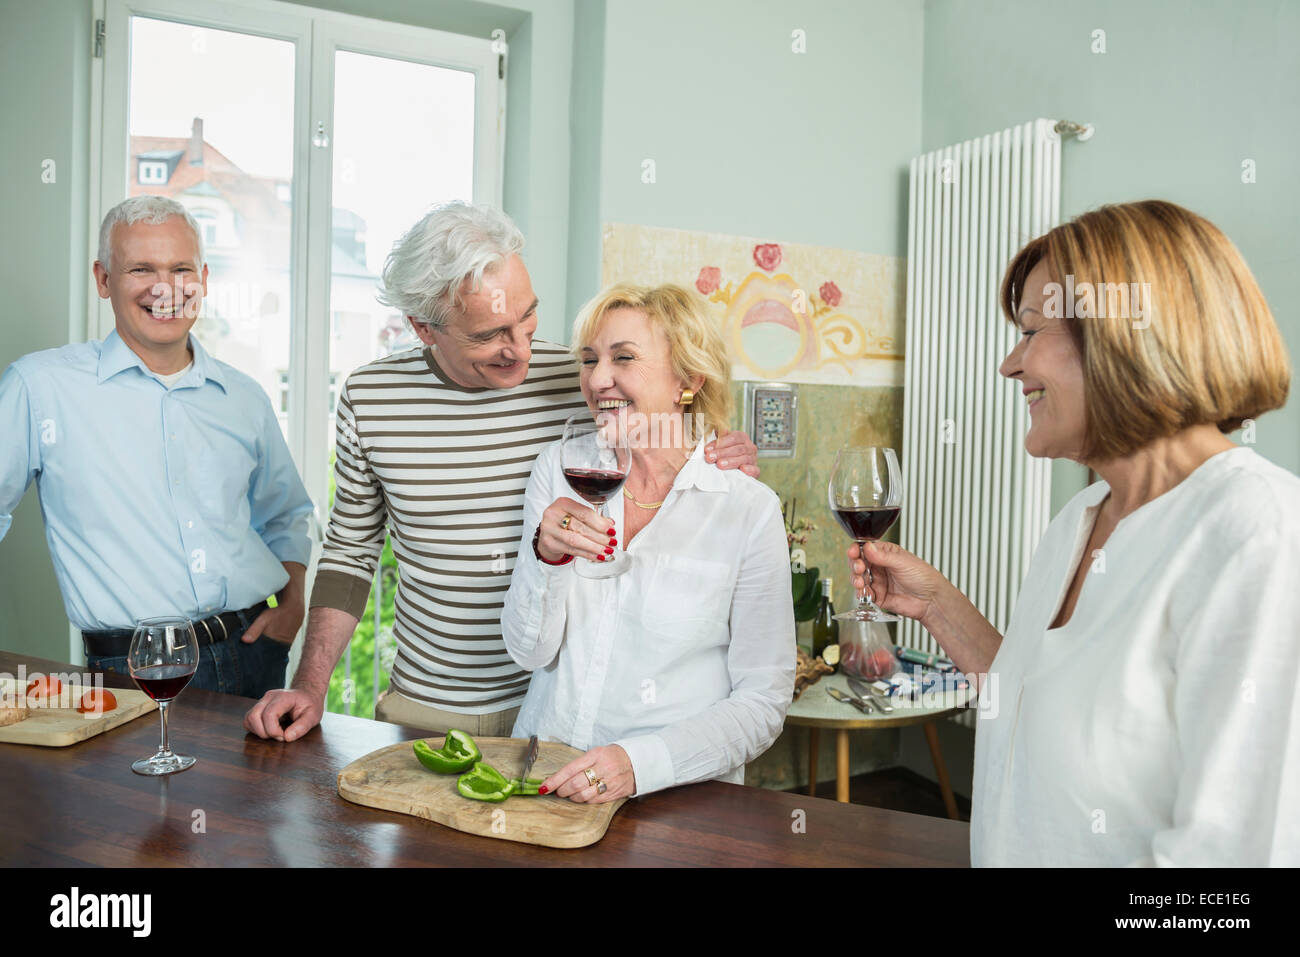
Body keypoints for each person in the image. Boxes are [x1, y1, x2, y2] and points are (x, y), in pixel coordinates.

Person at [847, 200, 1298, 865]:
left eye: (1031, 330)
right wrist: (936, 605)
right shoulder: (1078, 521)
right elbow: (1026, 704)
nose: (1009, 364)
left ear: (1123, 331)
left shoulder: (1259, 535)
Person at [243, 203, 758, 741]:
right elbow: (351, 551)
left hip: (560, 706)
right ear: (424, 328)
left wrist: (721, 450)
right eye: (490, 334)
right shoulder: (370, 397)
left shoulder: (580, 377)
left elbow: (668, 441)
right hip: (430, 704)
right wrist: (310, 684)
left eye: (528, 319)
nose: (521, 351)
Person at [0, 196, 313, 697]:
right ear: (103, 280)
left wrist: (294, 601)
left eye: (181, 268)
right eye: (141, 268)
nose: (165, 288)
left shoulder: (245, 397)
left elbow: (286, 513)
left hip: (255, 652)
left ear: (203, 280)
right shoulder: (40, 388)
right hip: (132, 670)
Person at [501, 283, 796, 803]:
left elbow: (763, 702)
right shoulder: (559, 467)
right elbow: (528, 652)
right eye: (589, 360)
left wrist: (638, 764)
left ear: (689, 377)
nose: (597, 379)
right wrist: (546, 557)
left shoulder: (748, 508)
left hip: (675, 797)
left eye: (624, 358)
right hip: (547, 776)